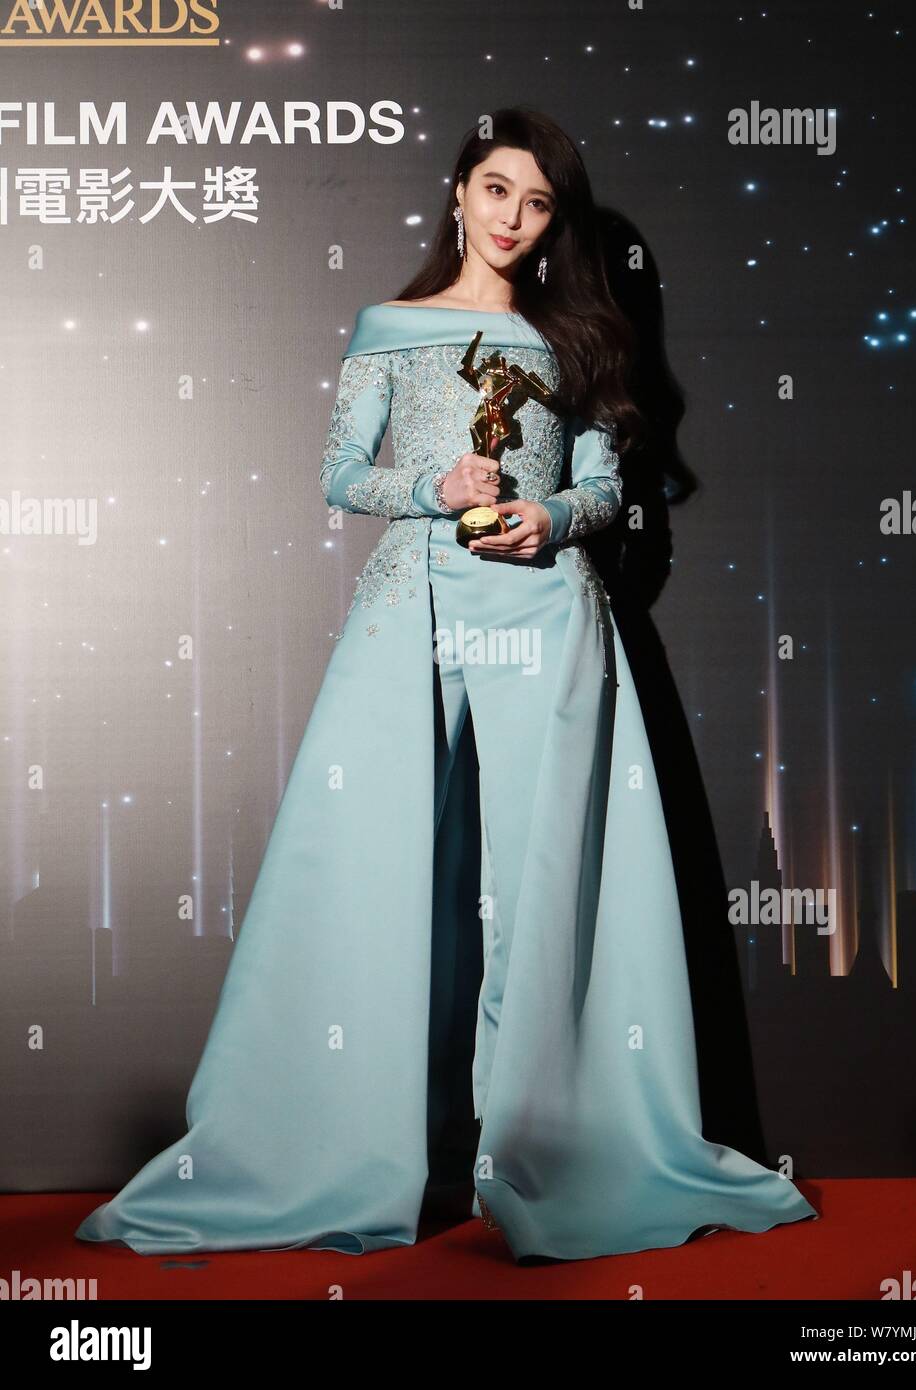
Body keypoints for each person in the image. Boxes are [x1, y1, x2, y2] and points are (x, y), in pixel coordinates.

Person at [75, 107, 818, 1263]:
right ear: (460, 190)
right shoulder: (390, 322)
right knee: (371, 868)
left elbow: (611, 491)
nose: (516, 221)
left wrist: (552, 514)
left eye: (538, 204)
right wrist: (437, 479)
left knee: (547, 879)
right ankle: (339, 1147)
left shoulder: (581, 336)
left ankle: (557, 1155)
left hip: (549, 606)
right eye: (498, 192)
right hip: (412, 604)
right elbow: (338, 474)